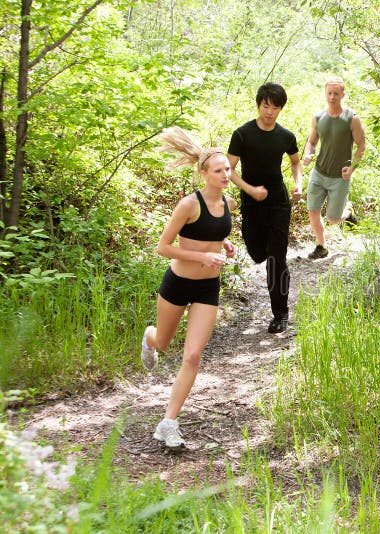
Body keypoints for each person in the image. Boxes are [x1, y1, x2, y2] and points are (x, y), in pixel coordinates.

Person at [140, 126, 237, 450]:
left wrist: (224, 244)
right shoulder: (188, 204)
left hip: (208, 288)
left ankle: (168, 423)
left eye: (228, 169)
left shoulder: (228, 203)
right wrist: (202, 256)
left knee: (193, 355)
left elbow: (213, 231)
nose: (225, 175)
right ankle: (149, 337)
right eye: (219, 170)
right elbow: (163, 247)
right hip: (178, 284)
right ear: (203, 173)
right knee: (164, 342)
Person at [227, 82, 302, 334]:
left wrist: (298, 184)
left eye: (275, 108)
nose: (269, 112)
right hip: (251, 202)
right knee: (257, 253)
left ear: (281, 108)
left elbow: (295, 162)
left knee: (275, 258)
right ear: (259, 105)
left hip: (278, 202)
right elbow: (229, 169)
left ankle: (280, 314)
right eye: (265, 106)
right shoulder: (242, 134)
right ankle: (267, 257)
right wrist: (249, 189)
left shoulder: (286, 136)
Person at [302, 76, 366, 259]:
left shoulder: (352, 119)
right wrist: (308, 153)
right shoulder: (318, 117)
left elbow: (361, 146)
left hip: (340, 177)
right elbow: (311, 142)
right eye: (329, 93)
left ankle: (348, 211)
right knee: (313, 212)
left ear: (342, 95)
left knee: (333, 219)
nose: (332, 97)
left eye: (336, 94)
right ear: (325, 93)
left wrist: (352, 168)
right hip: (319, 173)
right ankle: (321, 246)